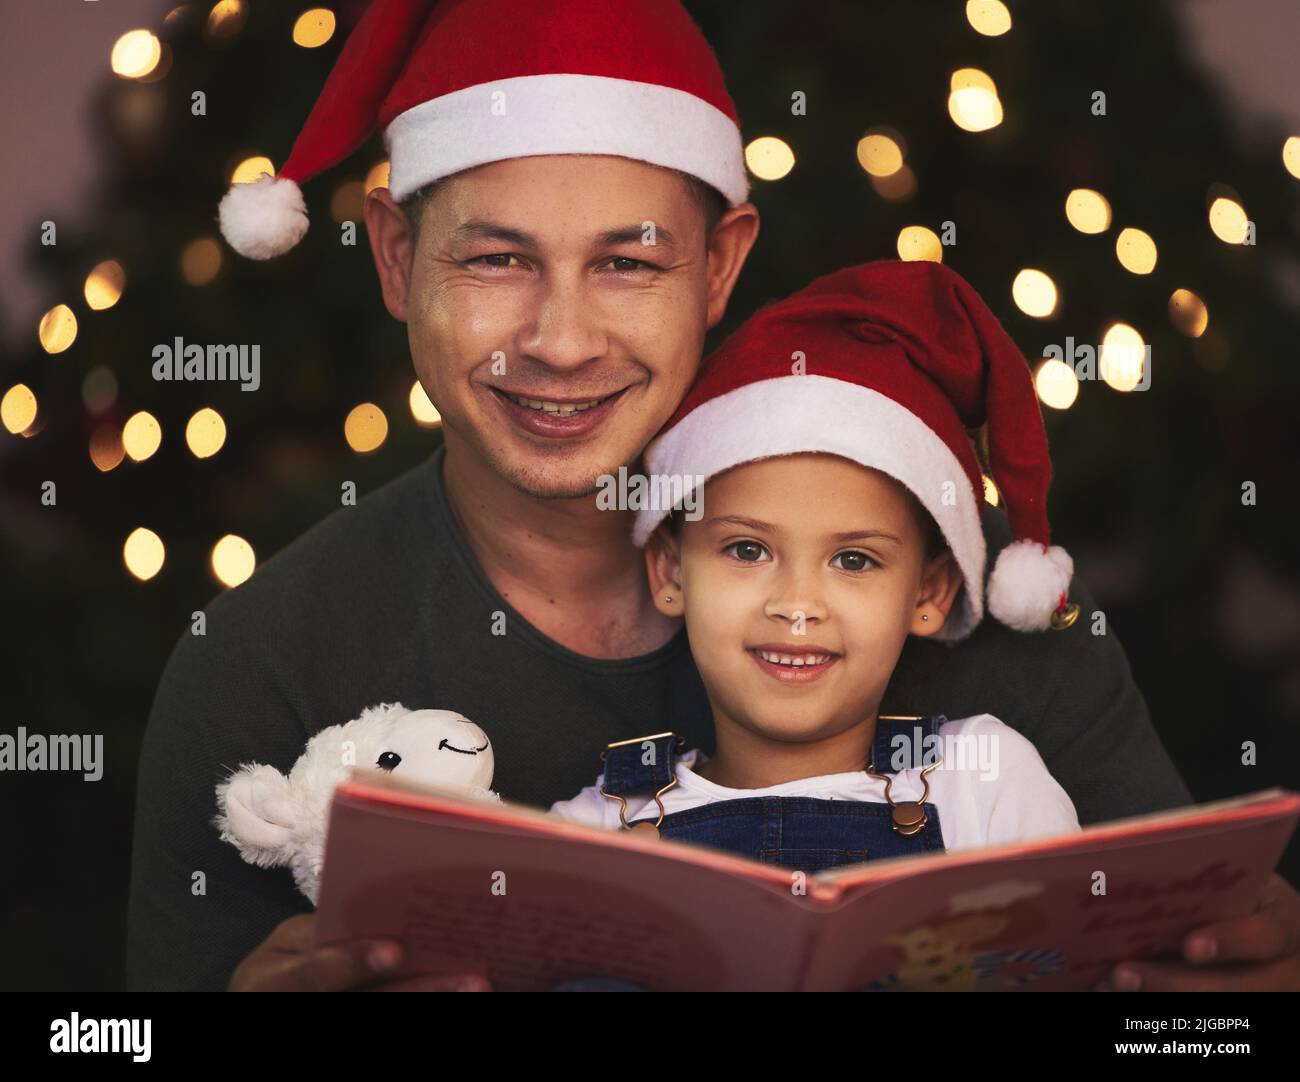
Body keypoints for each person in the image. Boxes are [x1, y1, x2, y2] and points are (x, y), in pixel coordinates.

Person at [126, 0, 1300, 992]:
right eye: (495, 259)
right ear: (393, 257)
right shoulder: (263, 659)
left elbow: (1199, 977)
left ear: (723, 265)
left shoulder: (969, 585)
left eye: (629, 262)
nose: (562, 339)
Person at [551, 259, 1084, 869]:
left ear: (929, 593)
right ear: (672, 573)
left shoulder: (982, 782)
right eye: (747, 550)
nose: (798, 606)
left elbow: (1070, 956)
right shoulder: (594, 828)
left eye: (854, 560)